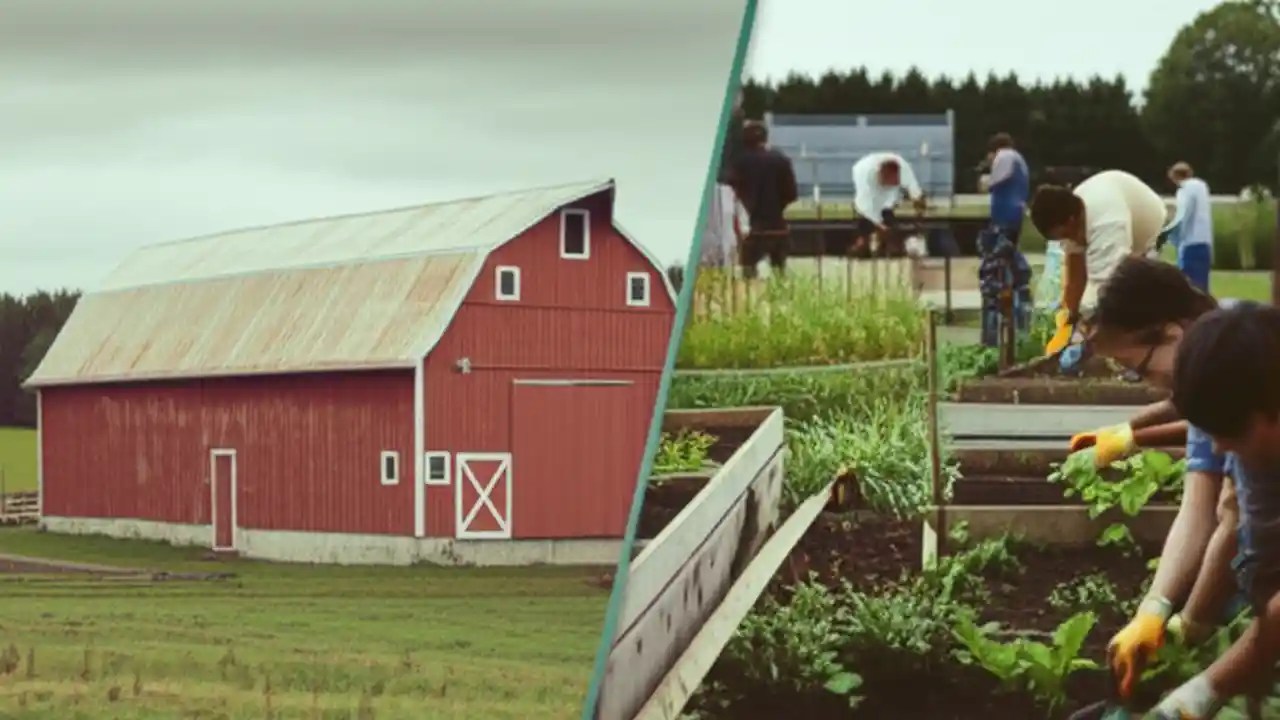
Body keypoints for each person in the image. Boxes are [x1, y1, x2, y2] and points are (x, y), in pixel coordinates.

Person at [1073, 258, 1245, 711]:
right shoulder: (1207, 367)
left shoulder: (1244, 362)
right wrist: (1155, 608)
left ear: (1172, 334)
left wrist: (1190, 626)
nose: (1147, 386)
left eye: (1139, 369)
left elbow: (1236, 515)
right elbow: (1199, 505)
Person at [1142, 302, 1280, 718]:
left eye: (1229, 431)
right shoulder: (1255, 439)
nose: (1219, 447)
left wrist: (1204, 691)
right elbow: (1234, 523)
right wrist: (1182, 626)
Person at [1028, 169, 1170, 355]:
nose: (1067, 239)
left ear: (1071, 221)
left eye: (1064, 235)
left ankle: (1138, 350)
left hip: (1150, 227)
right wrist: (1067, 317)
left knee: (1129, 296)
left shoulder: (1107, 223)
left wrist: (1082, 332)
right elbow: (1075, 272)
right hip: (1120, 200)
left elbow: (1106, 284)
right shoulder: (1074, 209)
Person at [732, 120, 798, 279]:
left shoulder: (740, 161)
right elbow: (792, 193)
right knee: (779, 270)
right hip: (777, 223)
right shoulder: (781, 159)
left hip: (753, 225)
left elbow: (735, 190)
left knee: (747, 270)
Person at [700, 91, 749, 270]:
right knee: (723, 228)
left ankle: (718, 262)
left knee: (721, 228)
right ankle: (720, 262)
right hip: (723, 182)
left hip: (723, 182)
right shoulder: (733, 123)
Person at [851, 151, 927, 257]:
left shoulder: (905, 171)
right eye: (889, 181)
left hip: (885, 194)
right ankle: (863, 243)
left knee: (887, 212)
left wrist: (919, 217)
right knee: (869, 217)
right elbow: (866, 208)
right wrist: (880, 226)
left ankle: (888, 246)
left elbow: (917, 195)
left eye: (894, 181)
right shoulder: (864, 175)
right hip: (867, 192)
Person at [1161, 161, 1214, 293]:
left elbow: (1183, 216)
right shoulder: (1202, 187)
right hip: (1205, 242)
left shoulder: (1184, 190)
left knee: (1190, 287)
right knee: (1203, 286)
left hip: (1190, 243)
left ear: (1175, 177)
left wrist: (1171, 236)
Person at [985, 132, 1031, 244]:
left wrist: (991, 164)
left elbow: (994, 182)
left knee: (1002, 249)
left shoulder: (1003, 156)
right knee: (1011, 248)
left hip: (1005, 211)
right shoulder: (1018, 157)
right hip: (1017, 209)